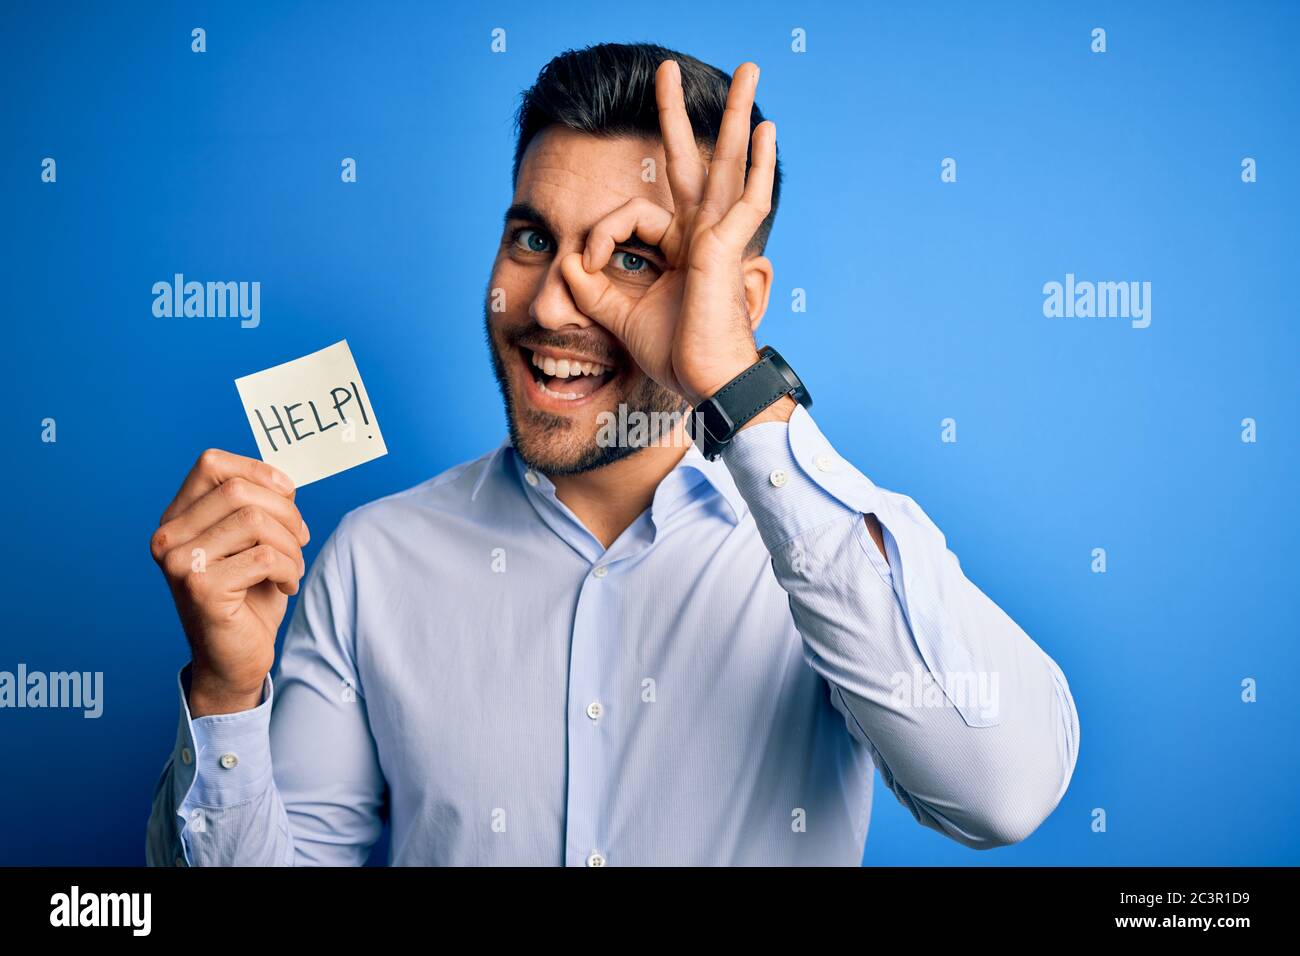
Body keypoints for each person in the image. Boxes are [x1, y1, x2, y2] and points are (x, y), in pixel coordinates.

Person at [145, 42, 1079, 866]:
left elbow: (1003, 793)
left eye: (633, 259)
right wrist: (227, 696)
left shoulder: (832, 562)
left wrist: (736, 386)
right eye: (532, 239)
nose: (553, 305)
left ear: (741, 302)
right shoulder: (371, 560)